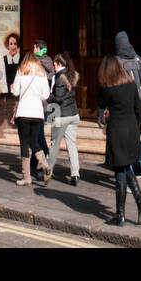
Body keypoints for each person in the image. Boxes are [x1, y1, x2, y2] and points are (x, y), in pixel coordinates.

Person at [98, 55, 141, 226]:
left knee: (119, 170)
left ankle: (121, 215)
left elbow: (101, 104)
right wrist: (138, 132)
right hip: (131, 130)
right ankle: (140, 201)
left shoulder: (109, 89)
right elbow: (138, 111)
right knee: (126, 167)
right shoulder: (131, 85)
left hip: (117, 132)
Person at [114, 31, 141, 191]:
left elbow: (113, 87)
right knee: (136, 140)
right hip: (140, 107)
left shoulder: (117, 62)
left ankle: (130, 180)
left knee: (124, 145)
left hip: (124, 109)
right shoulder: (140, 60)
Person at [11, 52, 51, 187]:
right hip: (38, 113)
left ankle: (26, 177)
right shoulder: (42, 73)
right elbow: (46, 95)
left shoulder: (21, 71)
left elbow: (16, 92)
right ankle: (45, 165)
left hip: (24, 113)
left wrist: (13, 89)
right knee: (34, 142)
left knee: (24, 144)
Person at [48, 51, 81, 186]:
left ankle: (47, 172)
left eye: (54, 64)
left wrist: (48, 96)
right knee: (71, 144)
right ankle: (75, 174)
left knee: (54, 145)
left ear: (59, 63)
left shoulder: (59, 76)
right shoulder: (72, 74)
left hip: (61, 115)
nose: (53, 67)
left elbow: (59, 97)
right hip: (74, 114)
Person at [32, 38, 55, 173]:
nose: (33, 50)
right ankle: (35, 162)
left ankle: (45, 156)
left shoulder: (35, 63)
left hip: (36, 103)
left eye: (34, 48)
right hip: (45, 103)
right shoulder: (50, 62)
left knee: (37, 134)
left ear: (39, 49)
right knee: (37, 132)